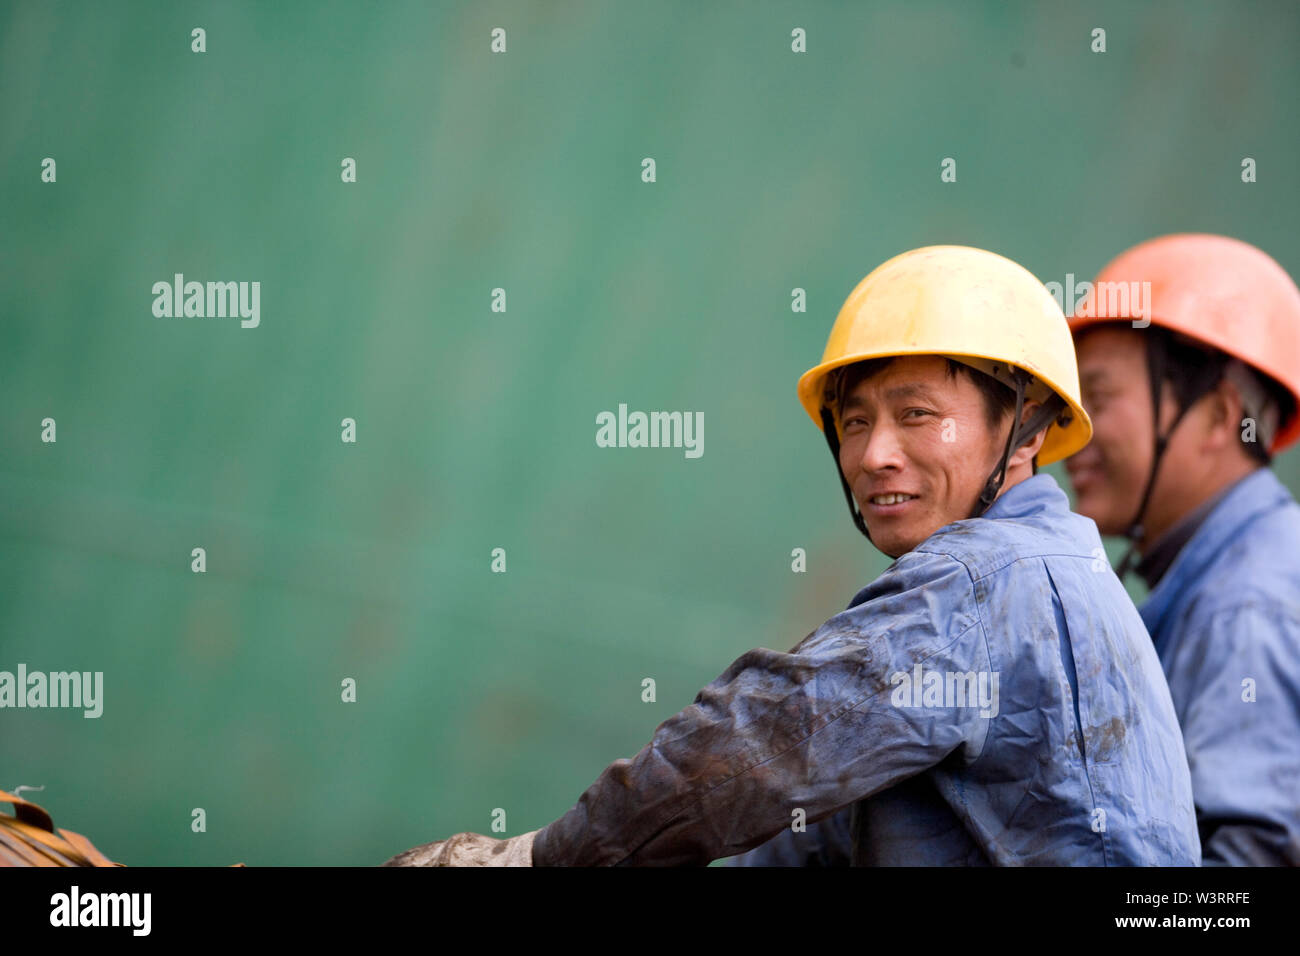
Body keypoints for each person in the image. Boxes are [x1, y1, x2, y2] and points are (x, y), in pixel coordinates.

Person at [383, 245, 1199, 867]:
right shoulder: (1058, 568)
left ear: (1024, 427)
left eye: (918, 414)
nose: (875, 453)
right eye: (853, 423)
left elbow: (768, 746)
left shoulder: (986, 580)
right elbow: (817, 831)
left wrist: (533, 859)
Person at [1064, 233, 1300, 865]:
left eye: (1099, 398)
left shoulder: (1247, 608)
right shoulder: (1228, 576)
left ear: (1222, 418)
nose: (1069, 432)